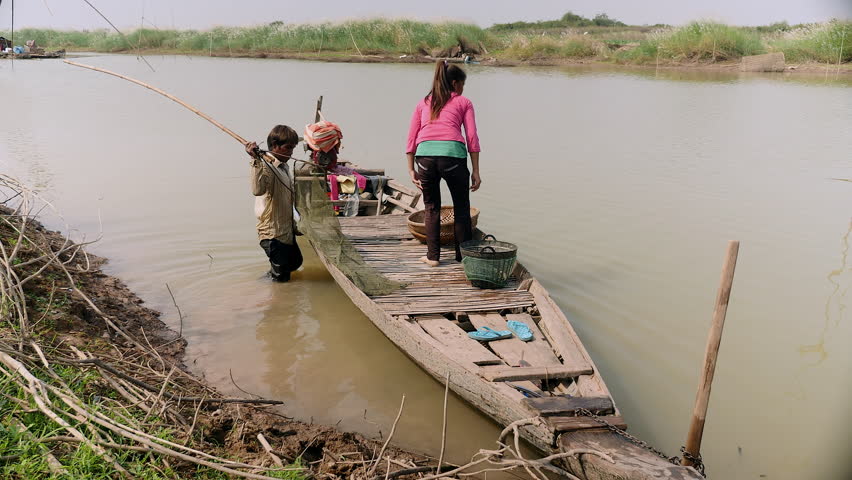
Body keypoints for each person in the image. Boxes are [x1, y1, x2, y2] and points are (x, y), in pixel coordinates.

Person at [406, 60, 481, 267]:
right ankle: (463, 257)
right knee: (462, 207)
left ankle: (432, 257)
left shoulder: (423, 102)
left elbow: (412, 137)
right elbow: (472, 138)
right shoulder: (464, 102)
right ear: (456, 83)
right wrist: (476, 171)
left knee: (431, 208)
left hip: (425, 158)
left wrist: (411, 168)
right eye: (462, 85)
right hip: (453, 156)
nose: (463, 89)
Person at [245, 125, 303, 282]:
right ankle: (274, 300)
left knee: (296, 262)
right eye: (288, 148)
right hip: (272, 234)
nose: (291, 152)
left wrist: (295, 226)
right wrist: (255, 160)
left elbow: (288, 201)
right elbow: (257, 190)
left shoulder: (284, 167)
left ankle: (266, 279)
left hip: (286, 231)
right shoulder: (266, 166)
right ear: (275, 146)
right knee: (282, 281)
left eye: (293, 148)